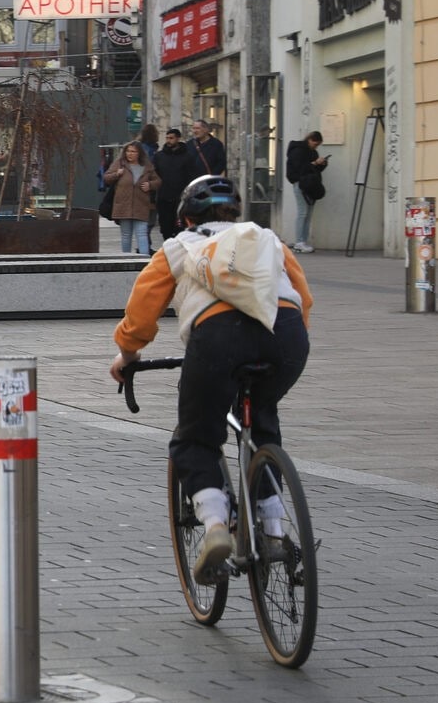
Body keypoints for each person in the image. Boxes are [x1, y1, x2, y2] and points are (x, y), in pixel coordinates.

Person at [108, 175, 314, 582]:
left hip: (218, 340)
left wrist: (127, 356)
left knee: (194, 438)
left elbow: (141, 314)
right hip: (286, 335)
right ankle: (273, 530)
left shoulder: (177, 247)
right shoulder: (269, 240)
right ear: (234, 213)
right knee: (262, 426)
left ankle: (217, 527)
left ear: (186, 218)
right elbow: (303, 299)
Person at [104, 141, 156, 255]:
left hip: (141, 204)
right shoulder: (120, 163)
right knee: (126, 234)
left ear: (139, 153)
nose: (130, 154)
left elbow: (158, 181)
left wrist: (150, 185)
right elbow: (106, 178)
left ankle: (143, 260)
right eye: (128, 151)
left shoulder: (147, 166)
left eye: (133, 151)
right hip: (124, 204)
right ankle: (125, 258)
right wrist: (116, 174)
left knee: (142, 233)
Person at [285, 131, 328, 253]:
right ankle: (299, 242)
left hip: (310, 184)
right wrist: (314, 163)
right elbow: (300, 168)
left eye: (318, 145)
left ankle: (303, 240)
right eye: (315, 143)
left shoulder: (312, 152)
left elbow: (314, 169)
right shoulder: (298, 150)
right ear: (310, 140)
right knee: (302, 212)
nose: (316, 146)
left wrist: (322, 164)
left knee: (308, 214)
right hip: (300, 183)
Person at [152, 128, 198, 242]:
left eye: (171, 138)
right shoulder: (159, 156)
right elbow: (154, 174)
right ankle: (168, 243)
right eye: (167, 138)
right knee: (165, 225)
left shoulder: (187, 156)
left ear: (178, 139)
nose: (168, 141)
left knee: (179, 225)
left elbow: (191, 175)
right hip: (163, 196)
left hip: (180, 197)